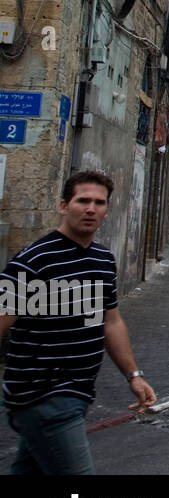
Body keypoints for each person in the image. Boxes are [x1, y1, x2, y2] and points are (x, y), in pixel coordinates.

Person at [0, 170, 157, 473]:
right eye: (82, 201)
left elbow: (110, 322)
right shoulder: (35, 260)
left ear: (107, 209)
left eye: (99, 203)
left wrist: (133, 375)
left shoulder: (102, 259)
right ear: (64, 206)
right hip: (43, 395)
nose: (90, 209)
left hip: (78, 392)